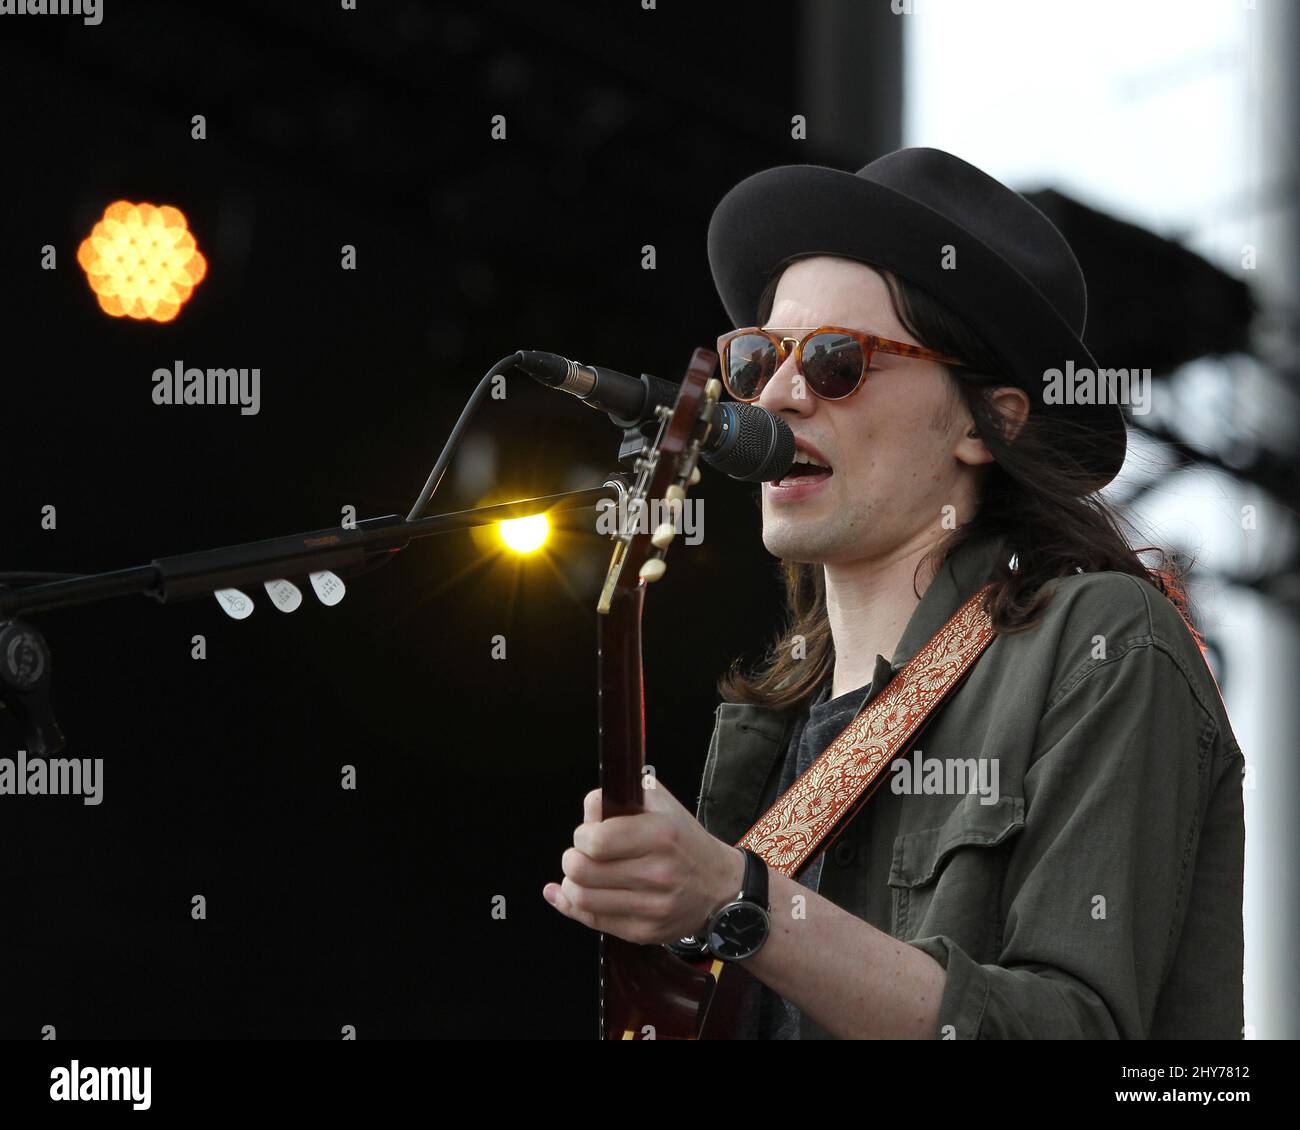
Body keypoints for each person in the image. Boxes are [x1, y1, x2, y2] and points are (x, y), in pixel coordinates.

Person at [542, 148, 1245, 1039]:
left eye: (839, 361)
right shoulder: (773, 728)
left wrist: (739, 898)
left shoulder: (1105, 638)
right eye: (759, 357)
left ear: (991, 424)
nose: (780, 396)